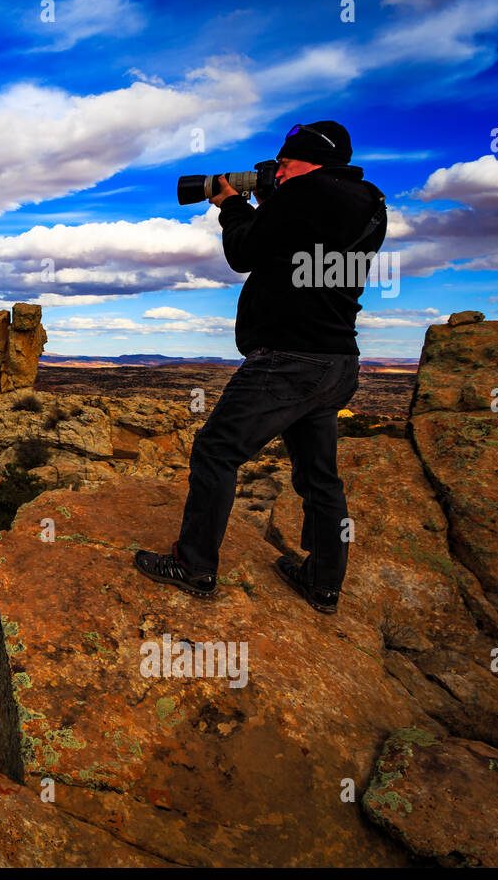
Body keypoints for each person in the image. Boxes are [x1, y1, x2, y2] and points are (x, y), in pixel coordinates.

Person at [134, 120, 387, 614]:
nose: (278, 172)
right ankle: (322, 581)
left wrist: (231, 203)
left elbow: (243, 254)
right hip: (338, 361)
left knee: (215, 451)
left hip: (290, 358)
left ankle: (194, 565)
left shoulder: (303, 194)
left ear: (309, 160)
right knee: (319, 476)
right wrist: (268, 205)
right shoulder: (369, 203)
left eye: (284, 163)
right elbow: (302, 253)